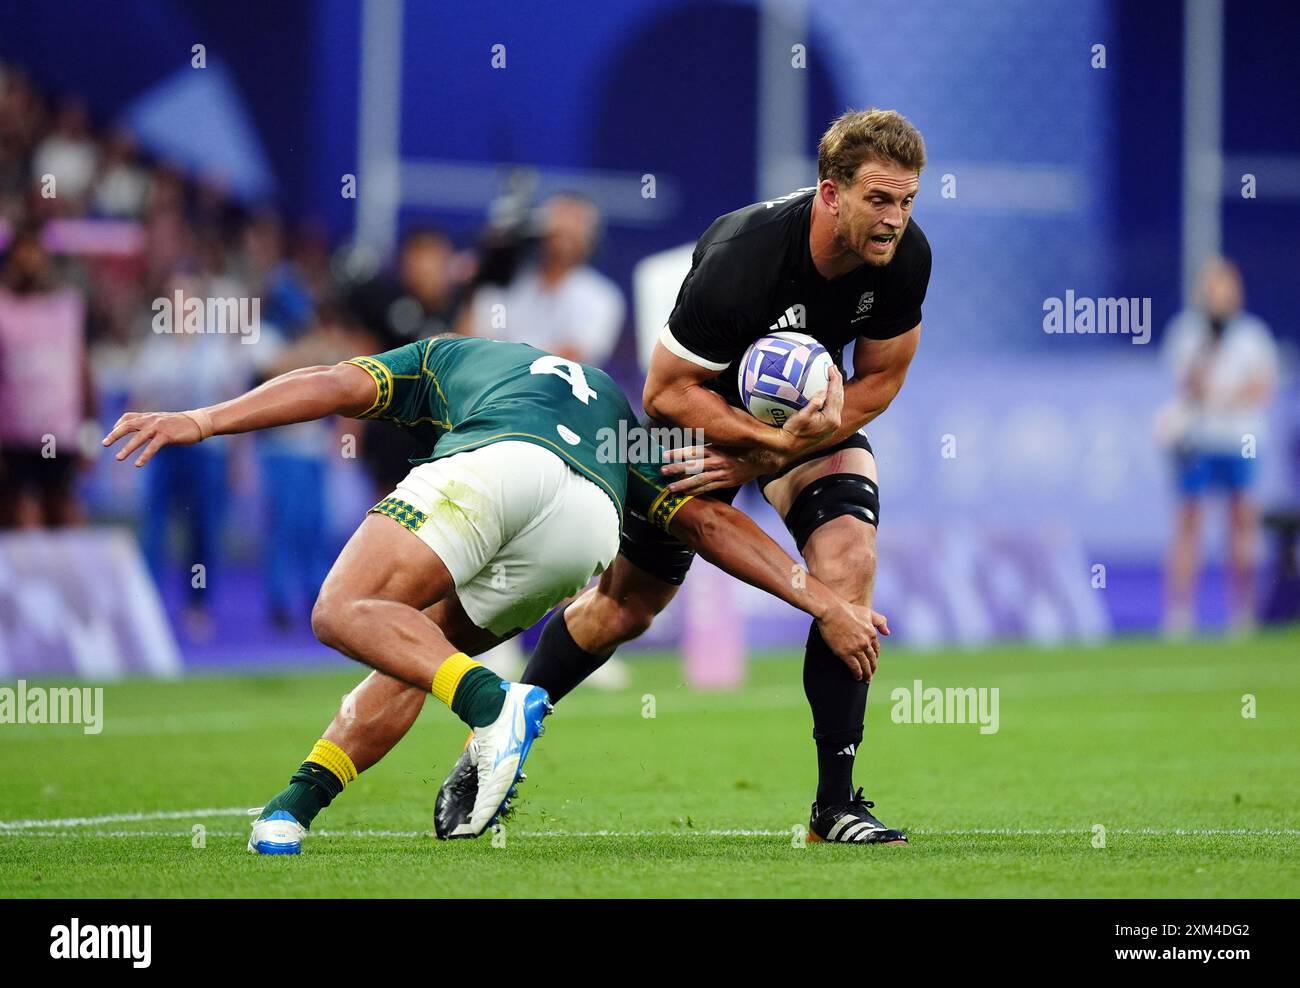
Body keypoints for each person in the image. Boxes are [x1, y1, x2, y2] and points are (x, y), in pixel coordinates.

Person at [101, 334, 884, 853]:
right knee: (411, 646)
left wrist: (204, 421)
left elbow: (332, 384)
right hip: (584, 529)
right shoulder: (614, 410)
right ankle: (294, 806)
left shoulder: (444, 358)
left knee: (341, 611)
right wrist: (825, 602)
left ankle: (491, 706)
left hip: (497, 467)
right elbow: (711, 524)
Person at [439, 108, 929, 845]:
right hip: (699, 420)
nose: (895, 220)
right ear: (831, 193)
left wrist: (791, 441)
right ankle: (497, 739)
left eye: (907, 201)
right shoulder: (746, 258)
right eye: (879, 201)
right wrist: (759, 442)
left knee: (849, 564)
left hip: (803, 425)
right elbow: (668, 390)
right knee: (625, 609)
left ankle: (836, 806)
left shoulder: (905, 258)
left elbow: (882, 377)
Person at [1159, 257, 1280, 635]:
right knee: (1188, 521)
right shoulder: (1187, 332)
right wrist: (1209, 351)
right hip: (1198, 438)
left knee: (1241, 520)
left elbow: (1262, 386)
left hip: (1240, 437)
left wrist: (1228, 398)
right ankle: (1180, 613)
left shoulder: (1252, 335)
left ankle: (1241, 611)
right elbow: (1188, 385)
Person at [464, 193, 625, 367]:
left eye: (575, 222)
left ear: (590, 238)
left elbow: (570, 356)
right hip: (492, 385)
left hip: (559, 390)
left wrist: (503, 361)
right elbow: (471, 344)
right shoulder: (504, 281)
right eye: (558, 220)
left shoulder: (601, 297)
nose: (565, 228)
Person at [0, 224, 92, 528]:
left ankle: (66, 576)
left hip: (59, 438)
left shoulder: (66, 308)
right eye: (22, 253)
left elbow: (82, 373)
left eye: (35, 253)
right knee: (16, 519)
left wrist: (89, 434)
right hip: (13, 440)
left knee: (62, 517)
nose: (29, 260)